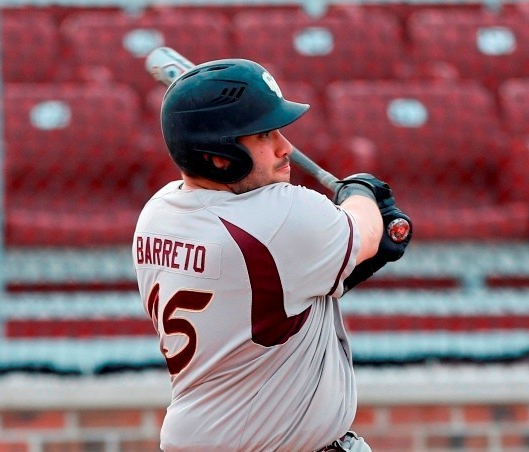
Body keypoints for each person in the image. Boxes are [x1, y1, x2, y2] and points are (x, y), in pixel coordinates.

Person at [133, 58, 412, 452]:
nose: (286, 148)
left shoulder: (158, 212)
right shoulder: (280, 217)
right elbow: (369, 233)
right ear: (218, 155)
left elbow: (276, 290)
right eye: (264, 135)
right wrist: (361, 191)